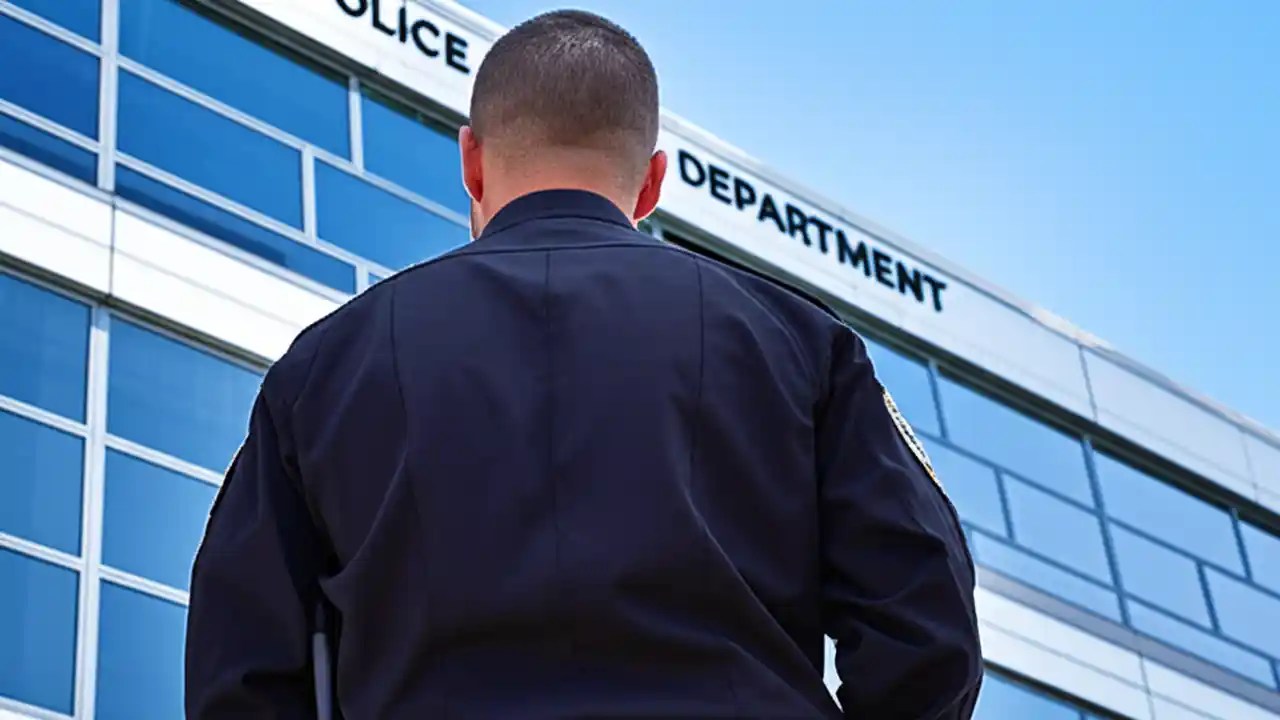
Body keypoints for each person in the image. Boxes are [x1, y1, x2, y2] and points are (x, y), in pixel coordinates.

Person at [184, 9, 982, 719]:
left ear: (472, 163)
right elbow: (925, 625)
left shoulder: (324, 368)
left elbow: (240, 673)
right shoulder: (799, 342)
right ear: (652, 183)